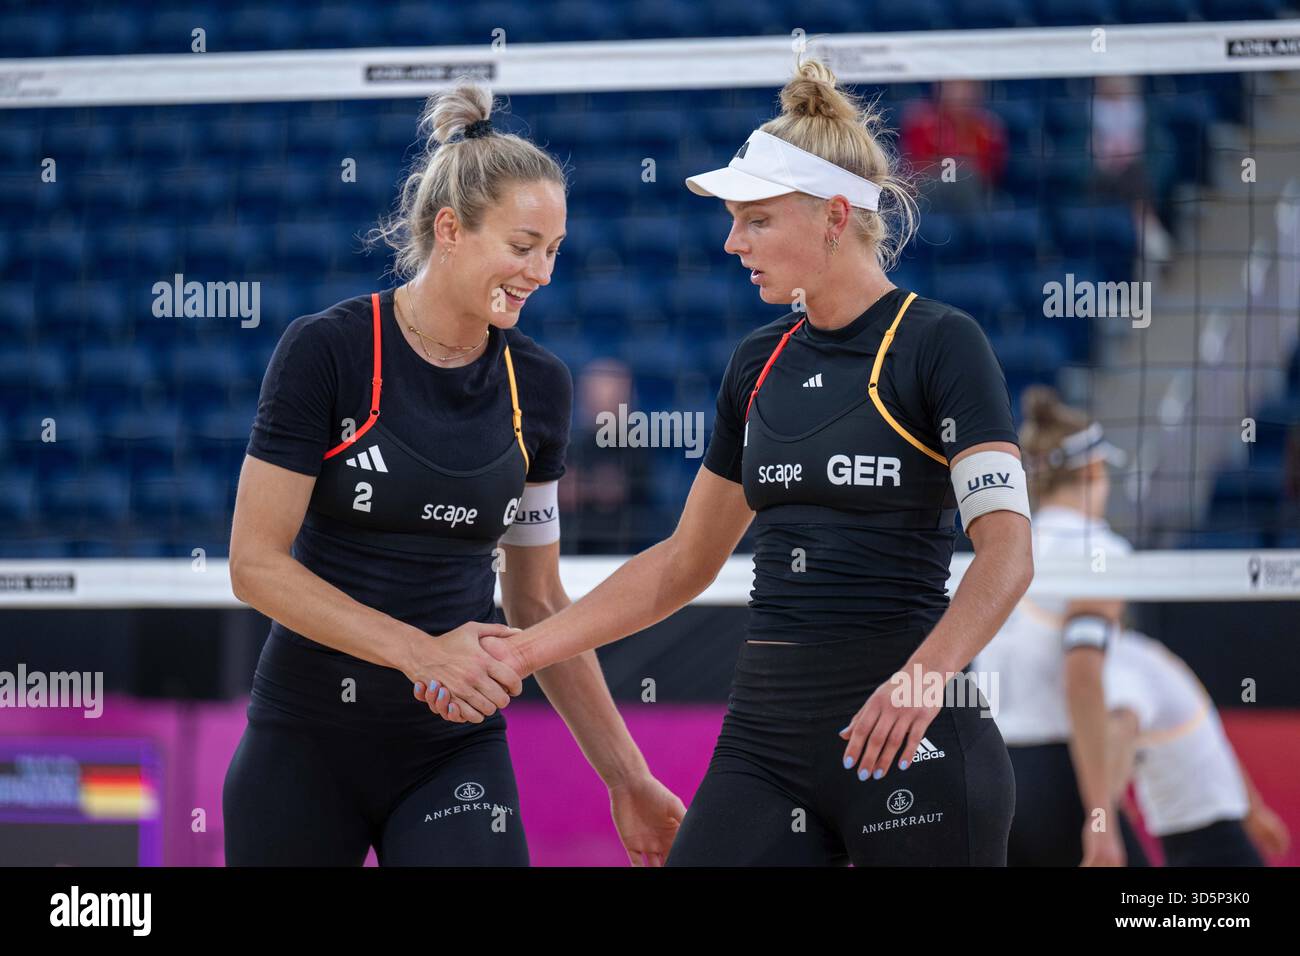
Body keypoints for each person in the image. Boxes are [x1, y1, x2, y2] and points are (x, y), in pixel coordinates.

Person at [424, 58, 1034, 866]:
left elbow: (1009, 553)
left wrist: (924, 680)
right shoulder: (758, 361)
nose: (731, 240)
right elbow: (684, 562)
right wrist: (525, 650)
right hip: (767, 739)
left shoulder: (939, 343)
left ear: (834, 216)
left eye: (755, 220)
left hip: (909, 721)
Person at [222, 80, 683, 866]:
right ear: (450, 231)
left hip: (450, 748)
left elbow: (537, 599)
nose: (540, 271)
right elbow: (254, 566)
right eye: (522, 244)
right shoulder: (329, 349)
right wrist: (421, 653)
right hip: (305, 736)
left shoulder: (538, 385)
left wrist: (627, 776)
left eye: (553, 251)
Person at [973, 385, 1144, 866]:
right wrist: (1100, 818)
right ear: (1093, 470)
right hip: (1055, 774)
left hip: (991, 773)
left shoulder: (1005, 546)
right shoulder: (1101, 550)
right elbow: (1083, 679)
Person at [1104, 629, 1290, 866]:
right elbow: (1210, 738)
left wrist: (1104, 803)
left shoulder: (1119, 663)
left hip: (1207, 835)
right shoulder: (1136, 655)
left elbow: (1121, 725)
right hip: (1197, 829)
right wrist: (1253, 808)